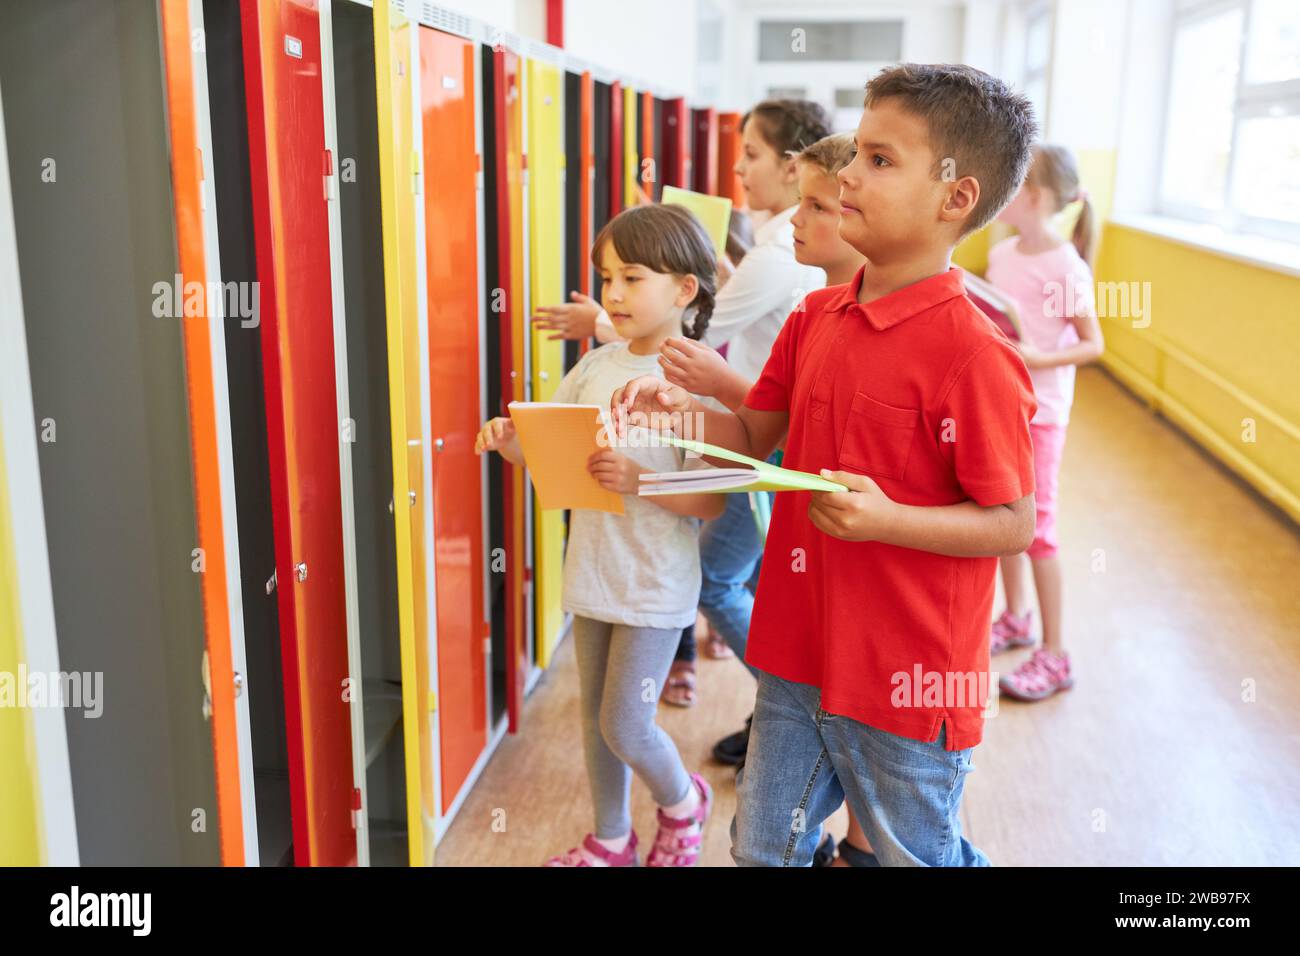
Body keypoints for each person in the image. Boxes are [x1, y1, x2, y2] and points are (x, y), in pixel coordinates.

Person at [612, 63, 1039, 866]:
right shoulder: (815, 317)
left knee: (913, 855)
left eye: (880, 160)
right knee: (761, 846)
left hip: (912, 685)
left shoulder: (978, 355)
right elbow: (751, 434)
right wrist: (681, 411)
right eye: (856, 154)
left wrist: (889, 521)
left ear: (956, 199)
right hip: (799, 654)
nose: (848, 174)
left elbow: (1013, 523)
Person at [476, 204, 725, 866]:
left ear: (684, 290)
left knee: (626, 724)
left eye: (631, 278)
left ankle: (682, 802)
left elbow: (714, 503)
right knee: (594, 722)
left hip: (654, 584)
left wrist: (638, 481)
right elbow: (547, 445)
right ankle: (611, 838)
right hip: (592, 570)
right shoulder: (594, 366)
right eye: (605, 277)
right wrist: (512, 442)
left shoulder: (696, 384)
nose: (611, 294)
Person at [985, 143, 1103, 701]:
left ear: (1031, 195)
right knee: (1006, 516)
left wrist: (1036, 357)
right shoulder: (1004, 253)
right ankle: (1016, 618)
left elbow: (1092, 344)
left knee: (1040, 531)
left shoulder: (1065, 265)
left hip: (1043, 414)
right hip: (1002, 404)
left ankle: (1056, 655)